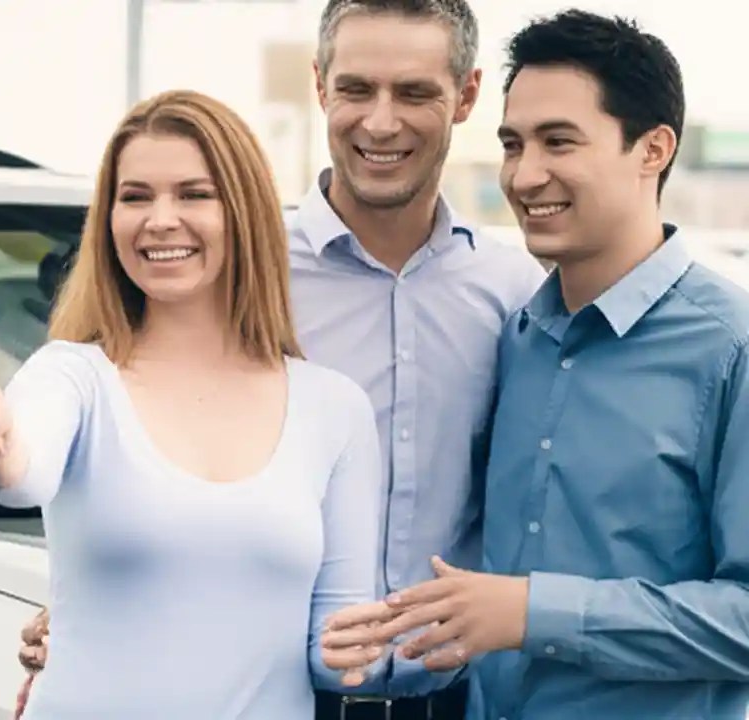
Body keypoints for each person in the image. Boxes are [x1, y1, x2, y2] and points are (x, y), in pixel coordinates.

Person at [14, 2, 547, 718]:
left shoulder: (515, 296)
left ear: (466, 96)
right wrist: (86, 621)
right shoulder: (228, 273)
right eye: (357, 89)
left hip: (451, 701)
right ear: (321, 87)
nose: (381, 122)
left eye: (414, 92)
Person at [321, 9, 749, 720]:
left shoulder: (730, 348)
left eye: (559, 143)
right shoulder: (517, 333)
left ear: (653, 149)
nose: (525, 175)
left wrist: (532, 611)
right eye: (513, 144)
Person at [0, 87, 386, 719]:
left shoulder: (334, 408)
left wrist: (377, 646)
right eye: (135, 196)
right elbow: (20, 474)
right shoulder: (74, 376)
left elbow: (337, 650)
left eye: (194, 194)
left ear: (245, 213)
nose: (160, 219)